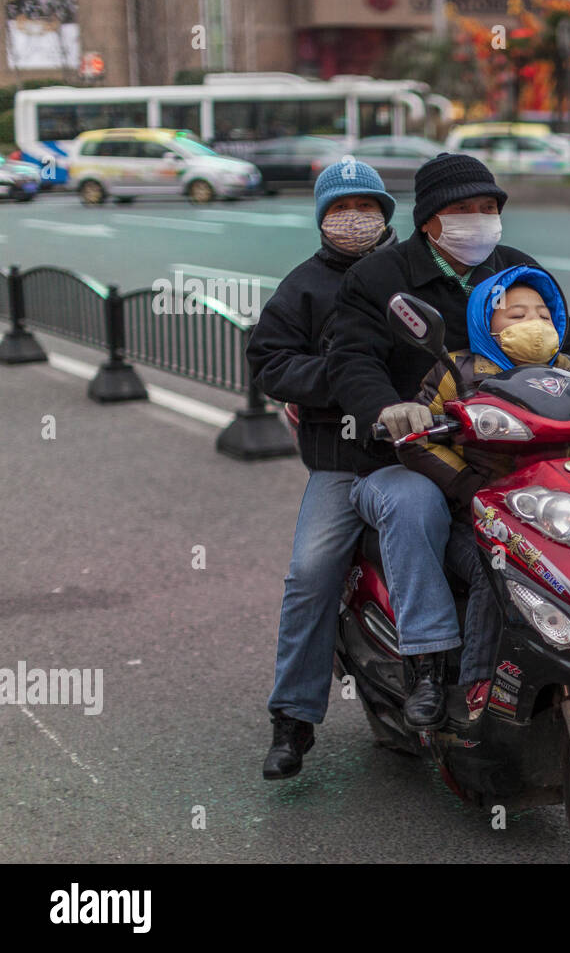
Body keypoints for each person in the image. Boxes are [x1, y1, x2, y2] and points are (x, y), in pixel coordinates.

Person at [326, 153, 570, 731]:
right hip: (414, 452)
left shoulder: (512, 267)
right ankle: (425, 662)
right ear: (429, 219)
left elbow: (566, 336)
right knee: (413, 503)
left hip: (516, 451)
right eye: (461, 210)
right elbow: (352, 359)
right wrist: (389, 408)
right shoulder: (379, 280)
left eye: (487, 208)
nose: (478, 220)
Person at [395, 265, 570, 721]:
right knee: (494, 568)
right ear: (484, 322)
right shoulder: (456, 371)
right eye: (515, 315)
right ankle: (474, 683)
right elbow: (417, 441)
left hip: (560, 515)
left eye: (542, 314)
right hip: (476, 518)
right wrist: (471, 488)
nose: (532, 325)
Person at [245, 159, 397, 780]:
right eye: (341, 208)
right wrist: (340, 380)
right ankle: (294, 720)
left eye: (367, 206)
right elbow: (269, 363)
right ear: (322, 218)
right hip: (339, 464)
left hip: (419, 456)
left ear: (387, 214)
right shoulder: (303, 287)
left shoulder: (411, 275)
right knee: (310, 573)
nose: (355, 218)